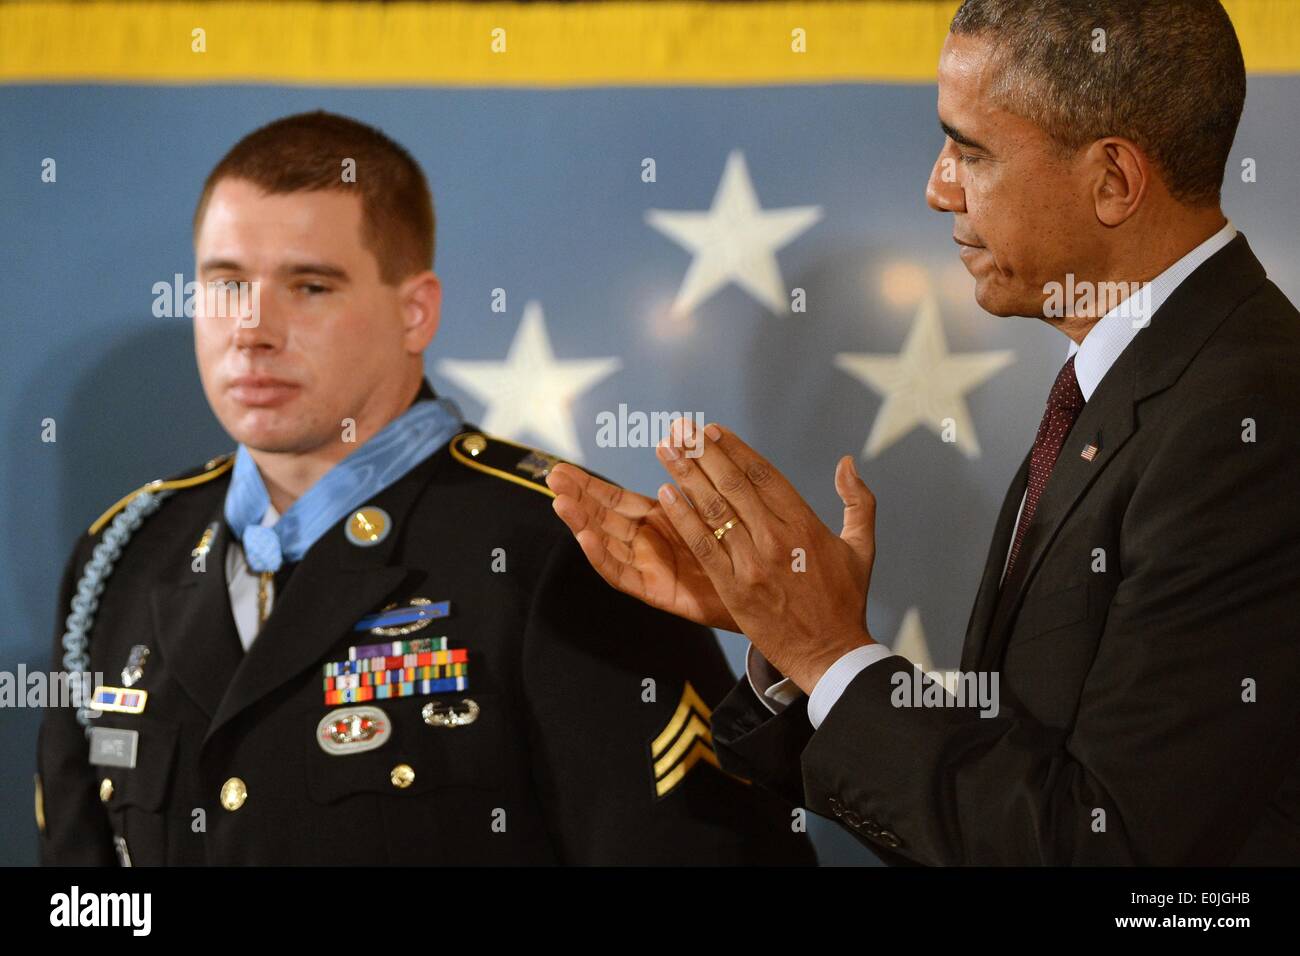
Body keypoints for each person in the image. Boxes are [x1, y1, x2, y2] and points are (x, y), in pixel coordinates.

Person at [547, 0, 1300, 865]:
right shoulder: (1126, 386)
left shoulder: (1249, 424)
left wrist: (830, 651)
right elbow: (1014, 785)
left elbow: (1108, 849)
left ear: (1113, 181)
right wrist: (793, 639)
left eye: (971, 152)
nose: (938, 187)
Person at [36, 111, 815, 866]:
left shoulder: (563, 545)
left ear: (415, 313)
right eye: (226, 283)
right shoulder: (125, 555)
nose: (252, 329)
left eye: (310, 287)